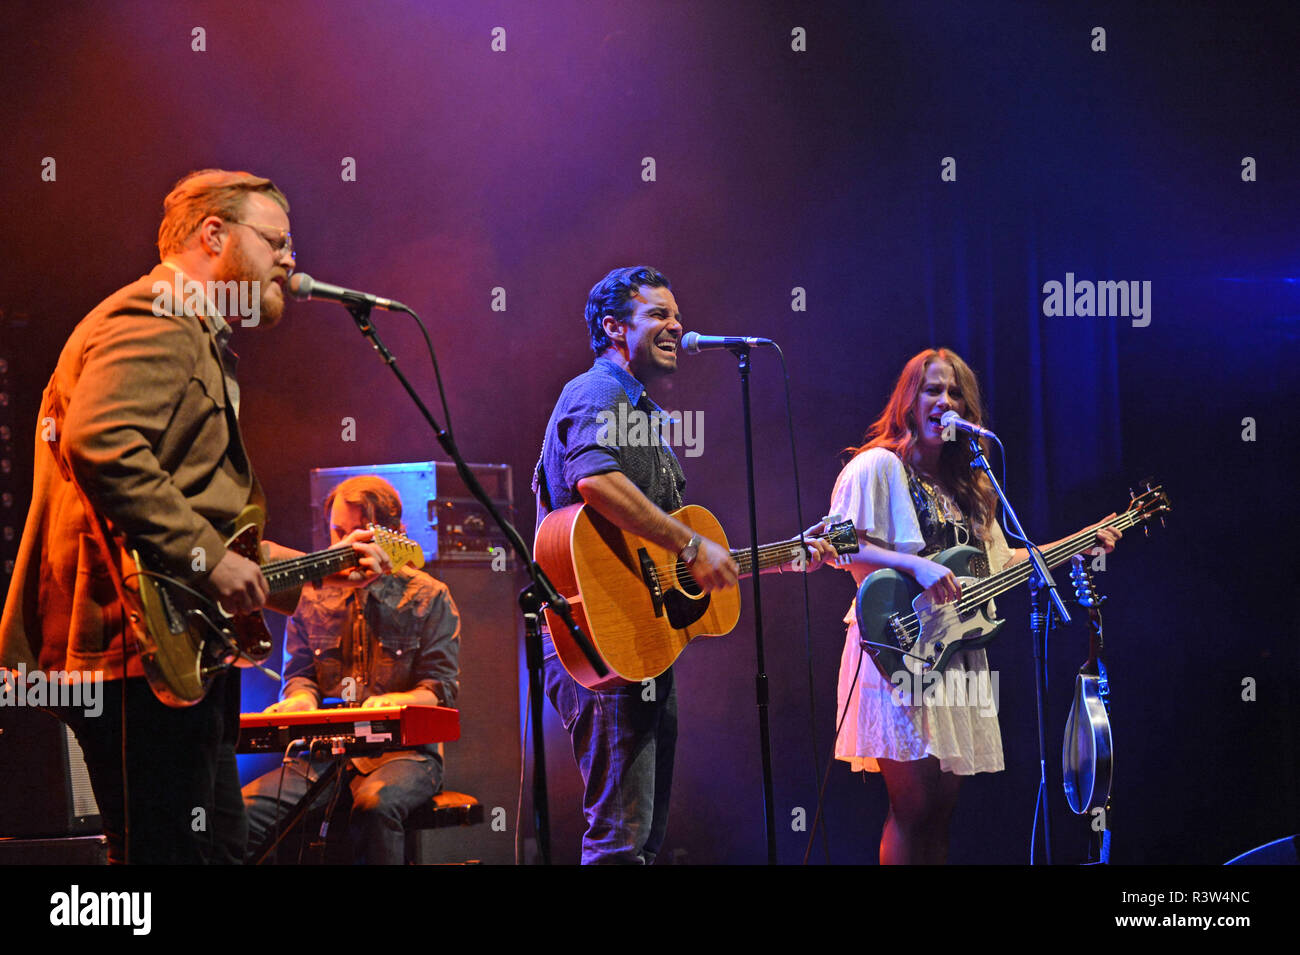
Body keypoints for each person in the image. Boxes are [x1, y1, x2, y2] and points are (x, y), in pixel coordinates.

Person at [0, 169, 389, 864]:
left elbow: (199, 534)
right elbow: (104, 444)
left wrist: (320, 569)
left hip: (173, 653)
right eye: (275, 241)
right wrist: (213, 557)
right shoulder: (158, 314)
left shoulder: (194, 331)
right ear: (214, 234)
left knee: (211, 852)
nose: (291, 261)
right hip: (130, 650)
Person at [532, 265, 835, 864]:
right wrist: (692, 545)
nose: (678, 325)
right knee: (620, 844)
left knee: (638, 842)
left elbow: (669, 563)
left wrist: (783, 556)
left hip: (636, 641)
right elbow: (594, 482)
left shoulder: (642, 412)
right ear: (615, 328)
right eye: (660, 315)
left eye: (678, 315)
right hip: (599, 634)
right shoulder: (598, 393)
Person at [828, 347, 1121, 864]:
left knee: (942, 808)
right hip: (896, 644)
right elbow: (840, 544)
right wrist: (915, 565)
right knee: (913, 806)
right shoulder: (877, 466)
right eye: (933, 390)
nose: (945, 401)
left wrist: (1084, 539)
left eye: (956, 392)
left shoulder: (973, 484)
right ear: (909, 402)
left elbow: (1002, 561)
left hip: (954, 650)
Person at [241, 475, 461, 865]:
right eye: (336, 533)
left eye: (358, 534)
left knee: (373, 807)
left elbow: (441, 687)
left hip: (404, 757)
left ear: (397, 534)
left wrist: (397, 702)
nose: (344, 547)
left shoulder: (430, 595)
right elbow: (300, 677)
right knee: (243, 813)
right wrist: (299, 701)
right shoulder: (309, 593)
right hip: (323, 757)